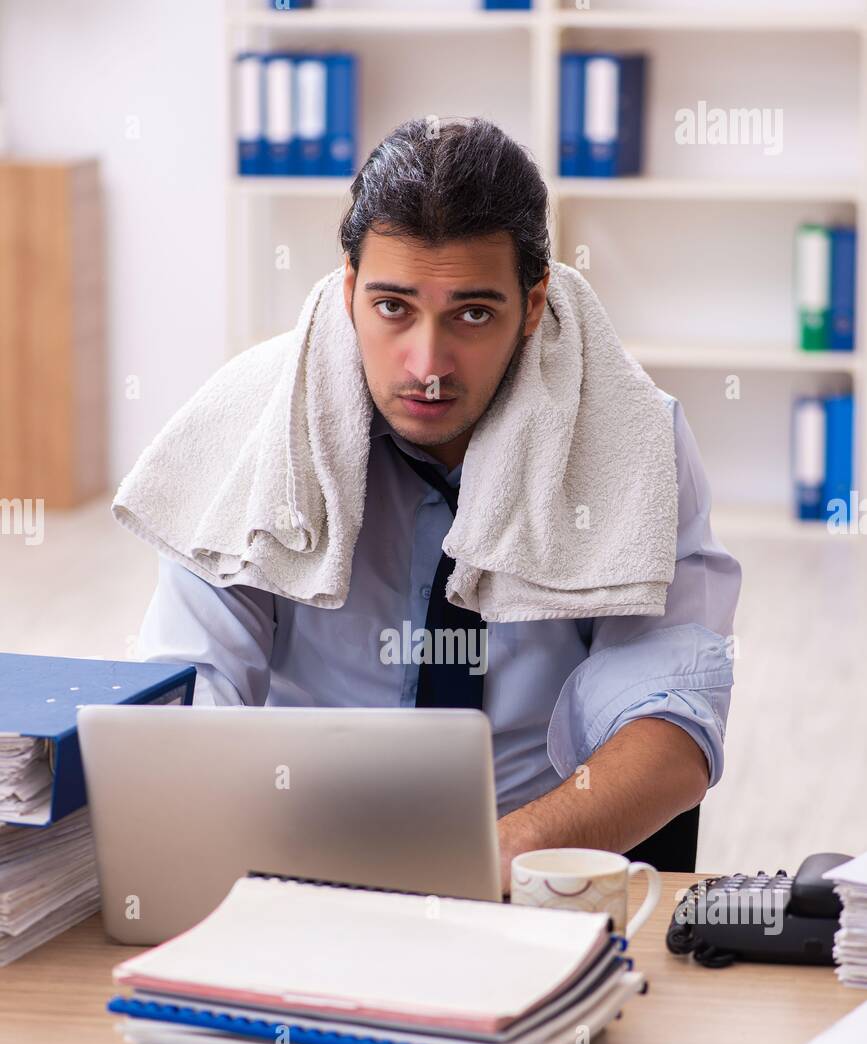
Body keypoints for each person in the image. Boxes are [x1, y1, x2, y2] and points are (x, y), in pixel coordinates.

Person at [135, 117, 741, 894]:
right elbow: (190, 694)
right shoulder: (249, 427)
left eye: (472, 314)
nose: (427, 365)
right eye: (393, 308)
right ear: (349, 290)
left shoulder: (633, 440)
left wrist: (488, 861)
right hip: (298, 868)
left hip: (535, 877)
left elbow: (670, 726)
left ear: (532, 304)